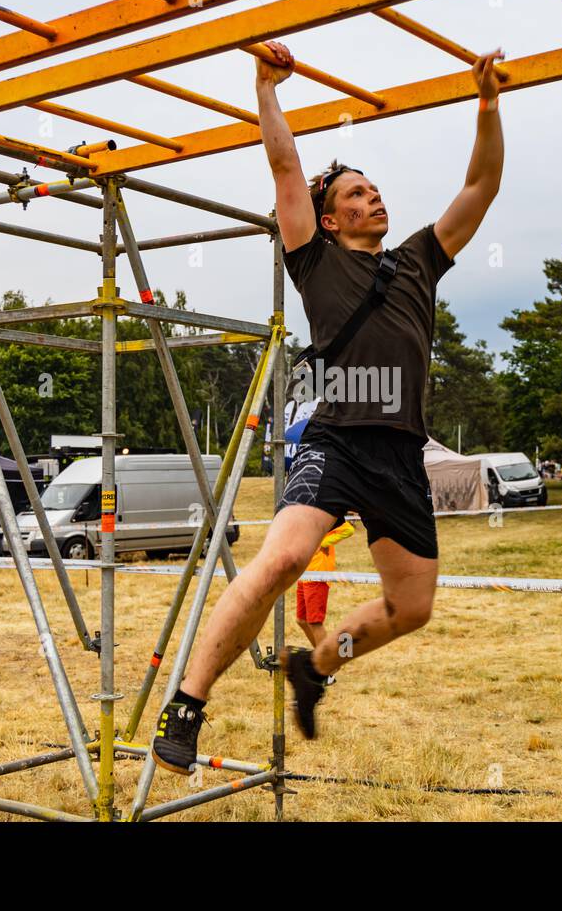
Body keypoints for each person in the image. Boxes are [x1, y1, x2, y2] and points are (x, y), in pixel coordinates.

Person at [152, 38, 504, 773]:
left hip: (401, 454)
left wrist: (487, 104)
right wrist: (267, 90)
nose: (372, 198)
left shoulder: (416, 262)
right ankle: (187, 703)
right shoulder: (314, 256)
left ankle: (316, 666)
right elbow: (285, 166)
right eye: (356, 194)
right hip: (336, 439)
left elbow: (480, 188)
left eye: (374, 190)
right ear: (332, 219)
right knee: (283, 557)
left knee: (411, 608)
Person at [295, 520, 356, 651]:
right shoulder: (303, 516)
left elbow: (348, 530)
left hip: (318, 575)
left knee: (314, 622)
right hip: (304, 574)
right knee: (301, 620)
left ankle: (328, 660)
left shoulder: (325, 516)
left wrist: (323, 543)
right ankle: (321, 655)